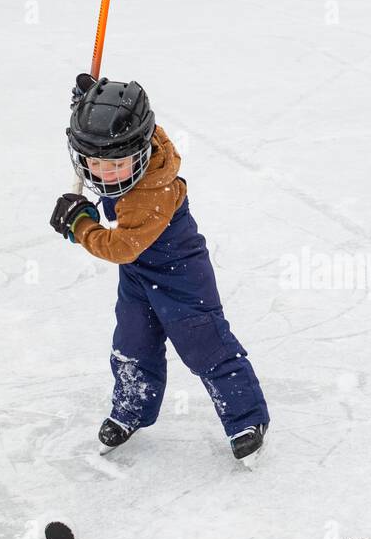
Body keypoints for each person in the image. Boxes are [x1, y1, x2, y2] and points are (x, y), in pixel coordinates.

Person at [49, 73, 269, 458]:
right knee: (132, 344)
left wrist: (80, 224)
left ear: (140, 153)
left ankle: (246, 417)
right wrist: (91, 108)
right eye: (95, 162)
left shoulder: (150, 193)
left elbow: (118, 247)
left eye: (116, 165)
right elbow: (122, 116)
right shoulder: (139, 137)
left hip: (180, 275)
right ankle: (131, 409)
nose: (104, 174)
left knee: (205, 346)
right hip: (138, 275)